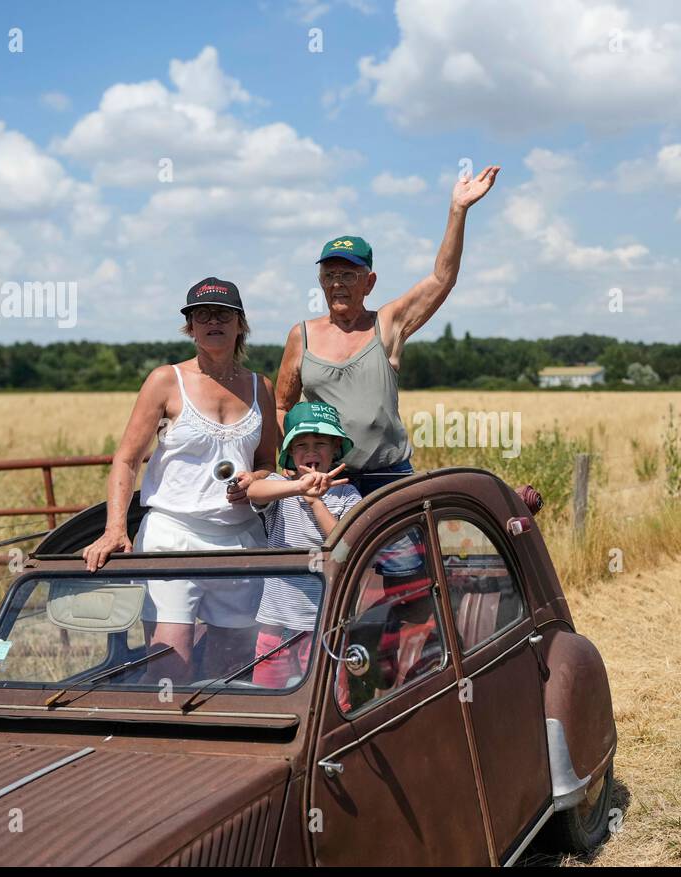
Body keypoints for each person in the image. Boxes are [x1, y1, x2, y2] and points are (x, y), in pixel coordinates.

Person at [82, 277, 278, 684]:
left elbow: (266, 462)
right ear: (189, 327)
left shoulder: (261, 387)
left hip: (240, 541)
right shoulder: (165, 381)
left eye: (222, 313)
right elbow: (127, 459)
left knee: (234, 671)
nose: (212, 321)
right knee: (170, 669)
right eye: (200, 315)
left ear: (240, 322)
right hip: (173, 537)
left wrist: (254, 480)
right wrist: (115, 528)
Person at [274, 165, 502, 496]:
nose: (337, 283)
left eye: (349, 275)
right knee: (329, 551)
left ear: (369, 282)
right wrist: (290, 458)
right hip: (328, 482)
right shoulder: (302, 335)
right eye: (330, 275)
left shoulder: (387, 323)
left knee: (403, 552)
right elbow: (282, 406)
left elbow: (441, 279)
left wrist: (458, 211)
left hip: (389, 479)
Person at [242, 401, 360, 688]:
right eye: (300, 444)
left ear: (335, 450)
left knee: (326, 699)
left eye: (320, 443)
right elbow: (254, 491)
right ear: (290, 453)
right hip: (274, 627)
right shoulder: (280, 487)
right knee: (269, 702)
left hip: (323, 625)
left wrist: (314, 501)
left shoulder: (347, 494)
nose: (310, 451)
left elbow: (345, 545)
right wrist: (298, 487)